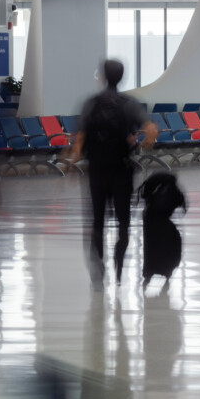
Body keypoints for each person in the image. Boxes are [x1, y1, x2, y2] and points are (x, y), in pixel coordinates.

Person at [70, 59, 156, 287]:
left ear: (102, 77)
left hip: (97, 170)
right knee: (123, 222)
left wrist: (72, 161)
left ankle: (98, 267)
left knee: (97, 220)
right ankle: (119, 267)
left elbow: (80, 138)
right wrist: (141, 145)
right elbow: (151, 130)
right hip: (121, 170)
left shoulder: (91, 103)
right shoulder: (130, 104)